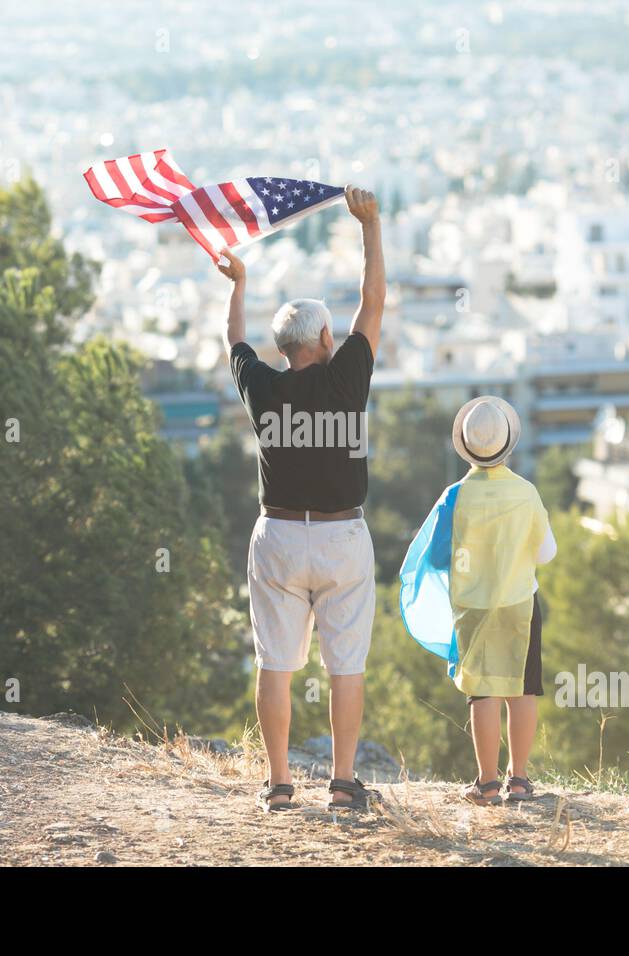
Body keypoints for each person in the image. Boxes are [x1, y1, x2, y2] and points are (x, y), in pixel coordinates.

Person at [217, 186, 385, 812]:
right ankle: (343, 783)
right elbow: (375, 299)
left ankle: (280, 783)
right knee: (346, 666)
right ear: (319, 339)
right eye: (331, 332)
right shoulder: (347, 377)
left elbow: (234, 341)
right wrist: (370, 225)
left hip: (280, 536)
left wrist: (238, 283)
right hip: (343, 537)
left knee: (275, 663)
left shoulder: (260, 387)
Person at [398, 395, 556, 806]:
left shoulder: (453, 496)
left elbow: (432, 555)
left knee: (481, 693)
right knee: (522, 691)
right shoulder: (526, 492)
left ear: (467, 447)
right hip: (520, 604)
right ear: (508, 443)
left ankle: (486, 784)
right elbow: (547, 554)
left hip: (471, 608)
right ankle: (518, 780)